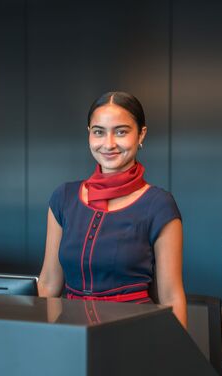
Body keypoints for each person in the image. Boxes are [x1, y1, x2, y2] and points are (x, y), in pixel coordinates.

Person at [37, 91, 187, 328]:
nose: (108, 144)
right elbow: (48, 284)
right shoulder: (63, 198)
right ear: (89, 134)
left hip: (134, 336)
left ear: (141, 134)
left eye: (121, 131)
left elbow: (171, 297)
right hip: (70, 335)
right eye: (99, 132)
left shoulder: (159, 204)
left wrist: (177, 359)